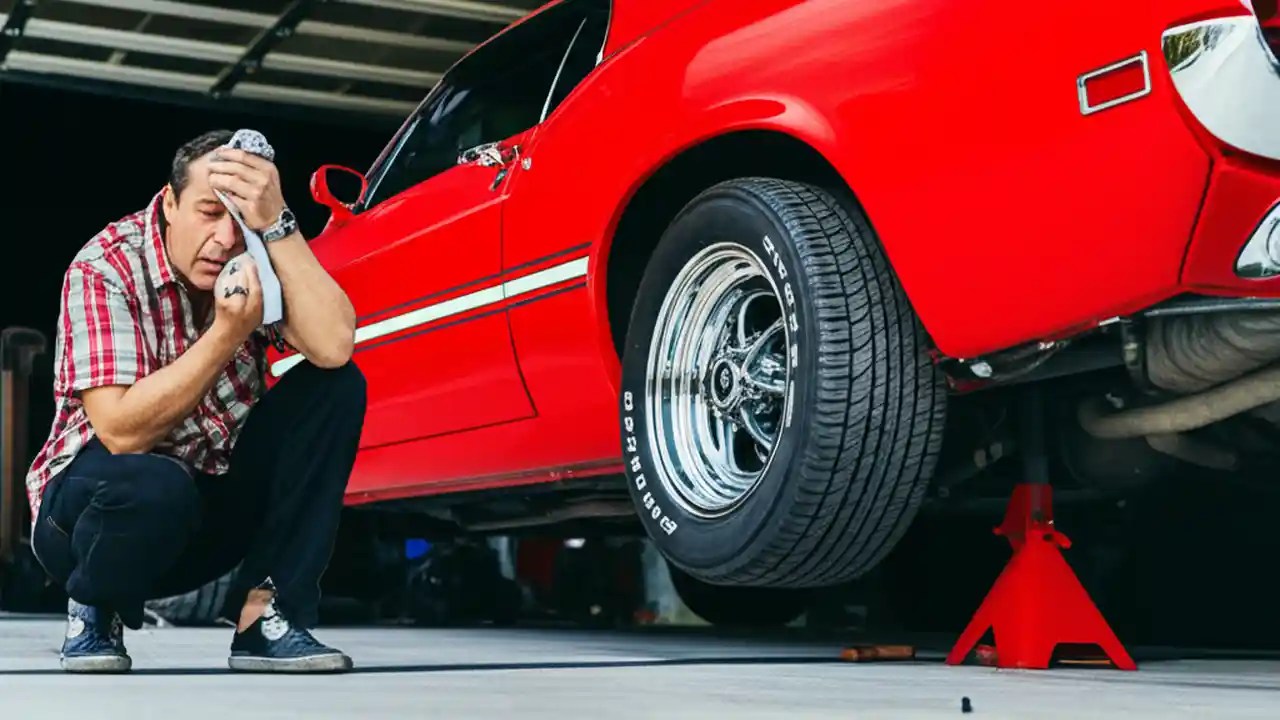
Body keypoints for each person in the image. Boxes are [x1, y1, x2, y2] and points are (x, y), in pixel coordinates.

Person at [24, 129, 367, 674]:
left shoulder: (256, 251)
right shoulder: (106, 266)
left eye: (240, 218)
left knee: (335, 387)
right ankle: (94, 609)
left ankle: (265, 617)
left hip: (198, 521)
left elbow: (334, 345)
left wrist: (276, 224)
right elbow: (121, 432)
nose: (225, 238)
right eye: (209, 212)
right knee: (153, 481)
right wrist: (227, 334)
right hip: (89, 523)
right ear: (170, 203)